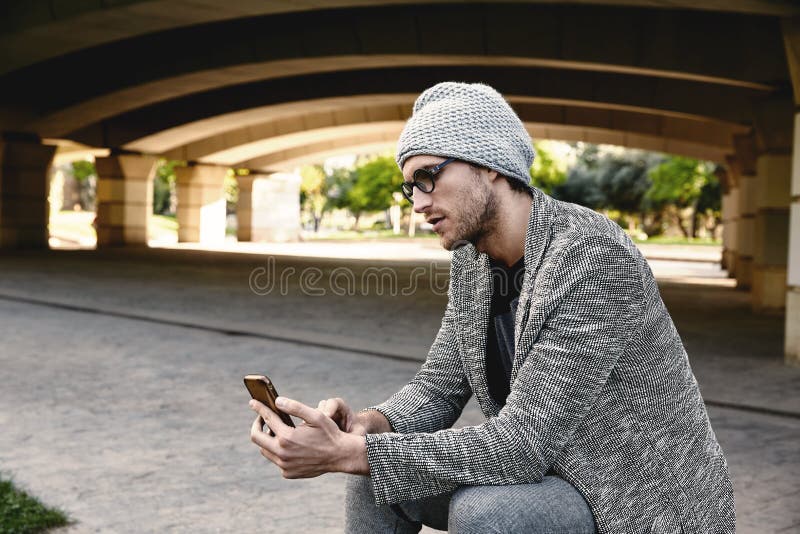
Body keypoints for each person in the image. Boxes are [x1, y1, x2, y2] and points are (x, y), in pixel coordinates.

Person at [248, 82, 736, 533]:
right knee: (378, 477)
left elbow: (522, 443)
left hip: (635, 498)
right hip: (551, 472)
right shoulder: (475, 261)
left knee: (484, 510)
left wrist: (352, 453)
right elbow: (438, 386)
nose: (418, 203)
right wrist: (367, 426)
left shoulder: (590, 255)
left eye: (427, 177)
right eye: (410, 186)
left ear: (489, 164)